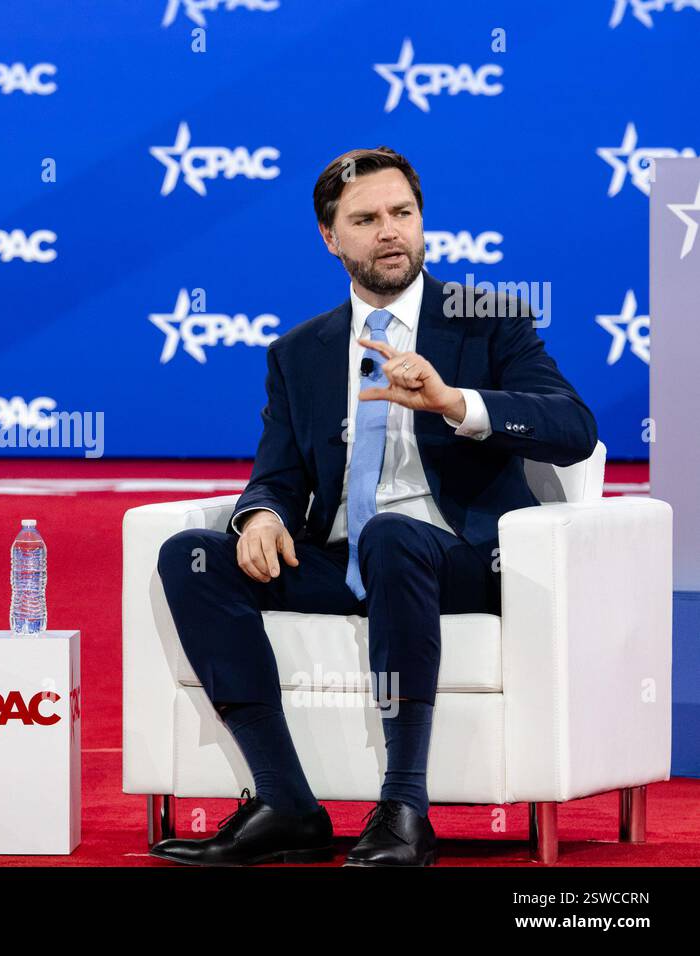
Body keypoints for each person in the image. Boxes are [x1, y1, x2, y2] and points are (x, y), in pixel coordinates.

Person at [149, 146, 597, 867]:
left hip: (455, 559)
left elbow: (574, 430)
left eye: (403, 214)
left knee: (393, 533)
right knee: (192, 557)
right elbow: (278, 475)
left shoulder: (487, 320)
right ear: (331, 237)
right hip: (346, 566)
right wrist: (261, 516)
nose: (391, 232)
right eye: (367, 219)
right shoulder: (300, 351)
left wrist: (456, 403)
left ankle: (404, 809)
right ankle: (285, 804)